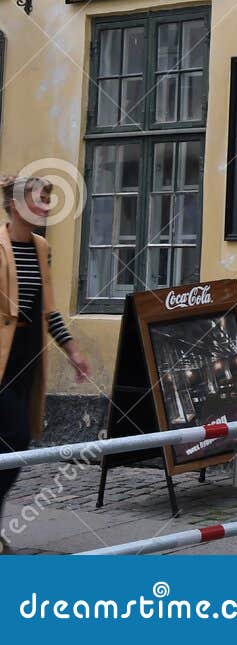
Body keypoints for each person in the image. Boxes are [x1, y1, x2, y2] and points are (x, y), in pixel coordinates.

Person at [0, 175, 92, 552]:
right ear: (16, 205)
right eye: (40, 200)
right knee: (16, 436)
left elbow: (48, 309)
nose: (47, 207)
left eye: (48, 200)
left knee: (14, 446)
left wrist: (72, 351)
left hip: (26, 356)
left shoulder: (41, 248)